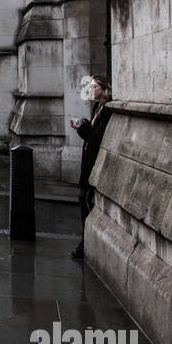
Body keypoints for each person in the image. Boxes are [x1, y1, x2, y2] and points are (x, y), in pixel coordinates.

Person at [69, 75, 112, 260]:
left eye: (95, 86)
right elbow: (91, 134)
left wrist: (83, 129)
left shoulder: (108, 111)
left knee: (85, 199)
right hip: (87, 160)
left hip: (94, 161)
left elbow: (97, 139)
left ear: (104, 89)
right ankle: (85, 241)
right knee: (82, 198)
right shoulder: (97, 108)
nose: (91, 89)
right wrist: (82, 125)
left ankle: (85, 243)